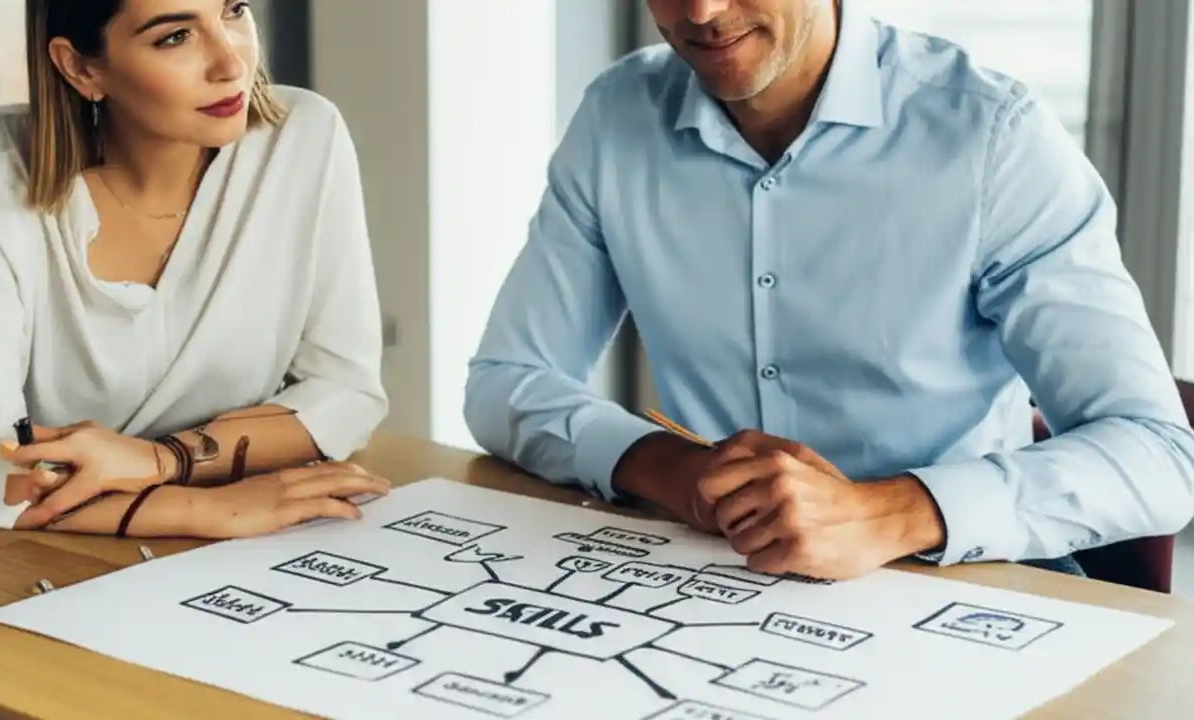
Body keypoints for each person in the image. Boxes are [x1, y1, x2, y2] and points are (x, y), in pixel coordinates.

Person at [465, 0, 1194, 580]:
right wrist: (674, 470)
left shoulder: (993, 137)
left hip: (960, 575)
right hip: (713, 565)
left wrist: (886, 513)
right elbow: (506, 381)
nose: (701, 11)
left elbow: (1158, 456)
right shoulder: (615, 117)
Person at [0, 0, 390, 538]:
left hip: (234, 547)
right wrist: (206, 509)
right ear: (81, 67)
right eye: (175, 37)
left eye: (234, 10)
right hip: (53, 559)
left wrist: (159, 461)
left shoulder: (302, 137)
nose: (231, 63)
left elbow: (345, 395)